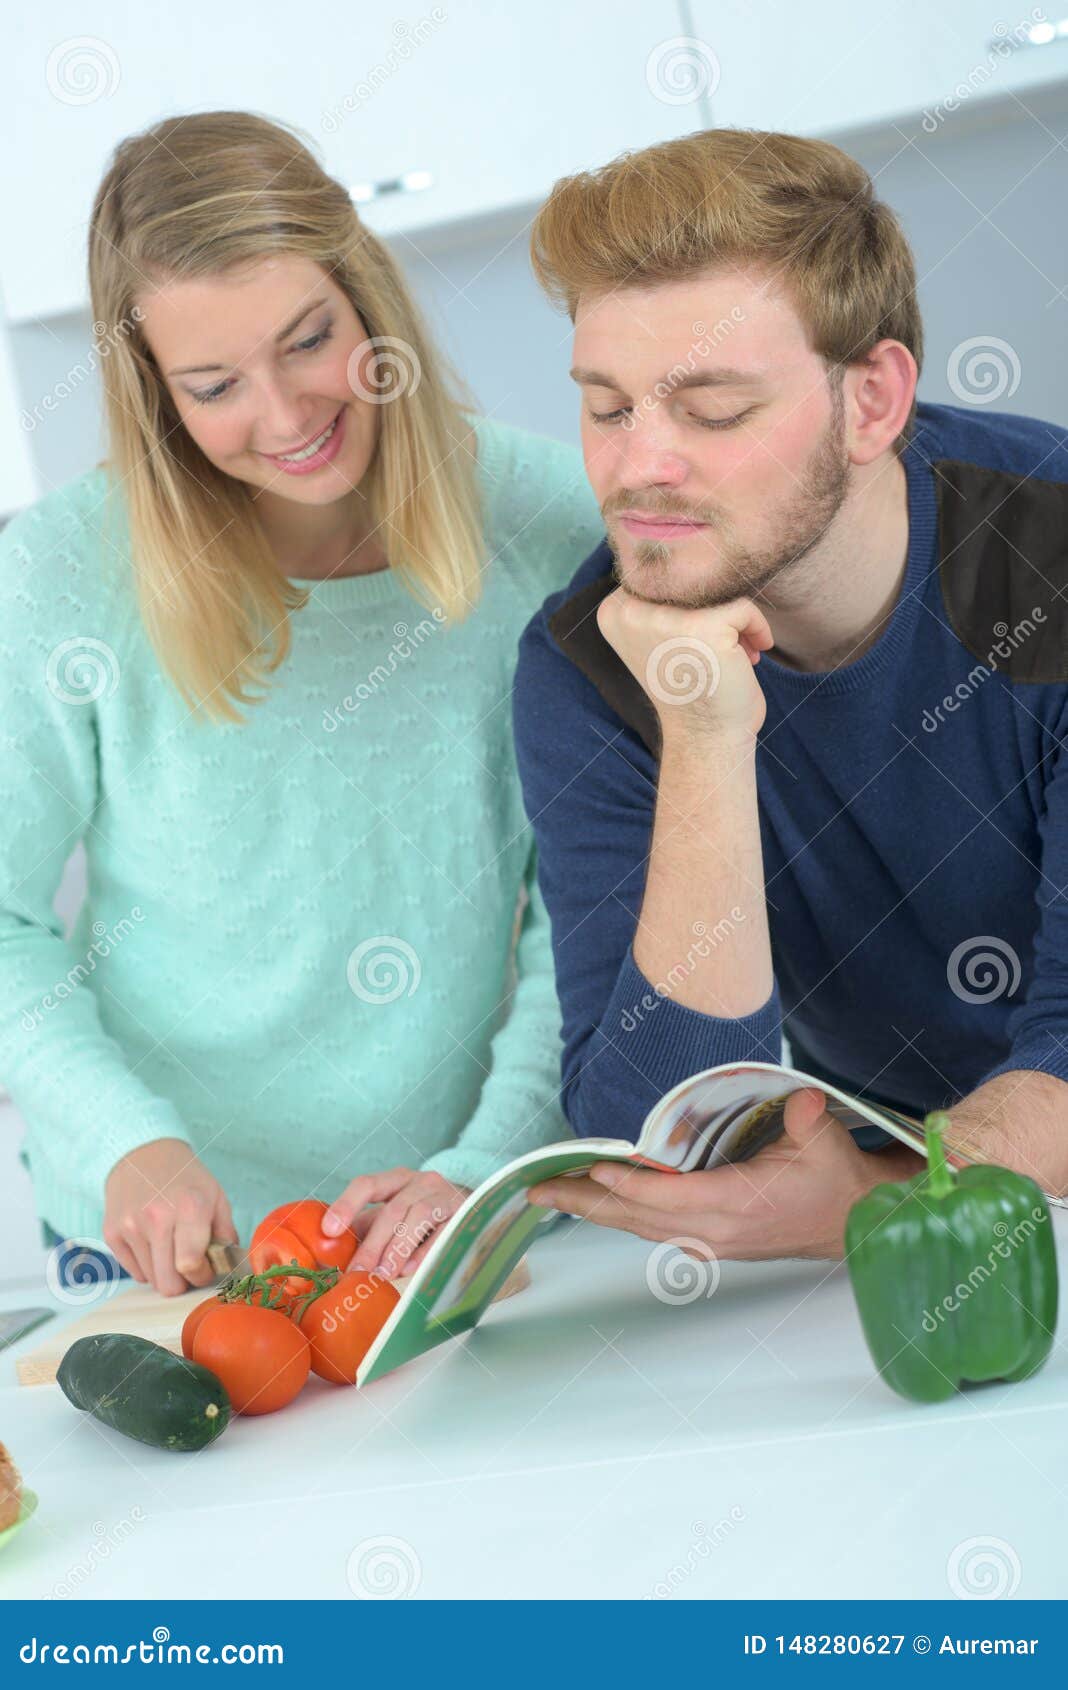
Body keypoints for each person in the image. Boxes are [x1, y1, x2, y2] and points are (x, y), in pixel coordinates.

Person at [0, 110, 603, 1296]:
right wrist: (129, 1142)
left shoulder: (547, 519)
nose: (282, 416)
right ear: (155, 395)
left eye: (309, 340)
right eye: (214, 384)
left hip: (469, 1219)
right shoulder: (59, 573)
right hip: (158, 1253)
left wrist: (486, 1165)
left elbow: (584, 908)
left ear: (366, 298)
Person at [513, 127, 1068, 1259]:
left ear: (872, 403)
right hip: (903, 1248)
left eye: (712, 410)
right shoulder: (586, 663)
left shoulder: (1049, 559)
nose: (640, 466)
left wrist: (873, 1195)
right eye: (608, 407)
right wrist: (707, 733)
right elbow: (652, 1137)